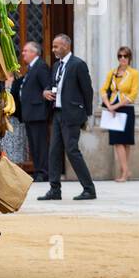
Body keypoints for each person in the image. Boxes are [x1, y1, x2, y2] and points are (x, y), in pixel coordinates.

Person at [40, 33, 96, 201]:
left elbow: (88, 90)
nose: (53, 49)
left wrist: (87, 115)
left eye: (56, 46)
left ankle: (89, 189)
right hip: (57, 113)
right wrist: (46, 92)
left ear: (66, 46)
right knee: (54, 151)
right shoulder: (57, 66)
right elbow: (52, 85)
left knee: (72, 151)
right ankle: (54, 189)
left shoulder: (78, 64)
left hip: (72, 114)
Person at [11, 40, 53, 181]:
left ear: (34, 52)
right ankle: (38, 171)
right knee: (34, 145)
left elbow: (47, 87)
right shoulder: (31, 67)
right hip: (29, 114)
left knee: (40, 144)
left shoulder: (40, 66)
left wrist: (44, 111)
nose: (23, 53)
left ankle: (43, 172)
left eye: (25, 51)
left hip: (38, 114)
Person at [101, 46, 139, 182]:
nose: (123, 58)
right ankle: (125, 171)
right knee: (117, 141)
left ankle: (124, 171)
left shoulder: (134, 73)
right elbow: (103, 89)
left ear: (129, 58)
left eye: (125, 56)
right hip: (113, 109)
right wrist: (109, 105)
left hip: (126, 108)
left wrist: (115, 106)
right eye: (120, 56)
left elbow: (133, 94)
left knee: (126, 142)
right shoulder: (112, 73)